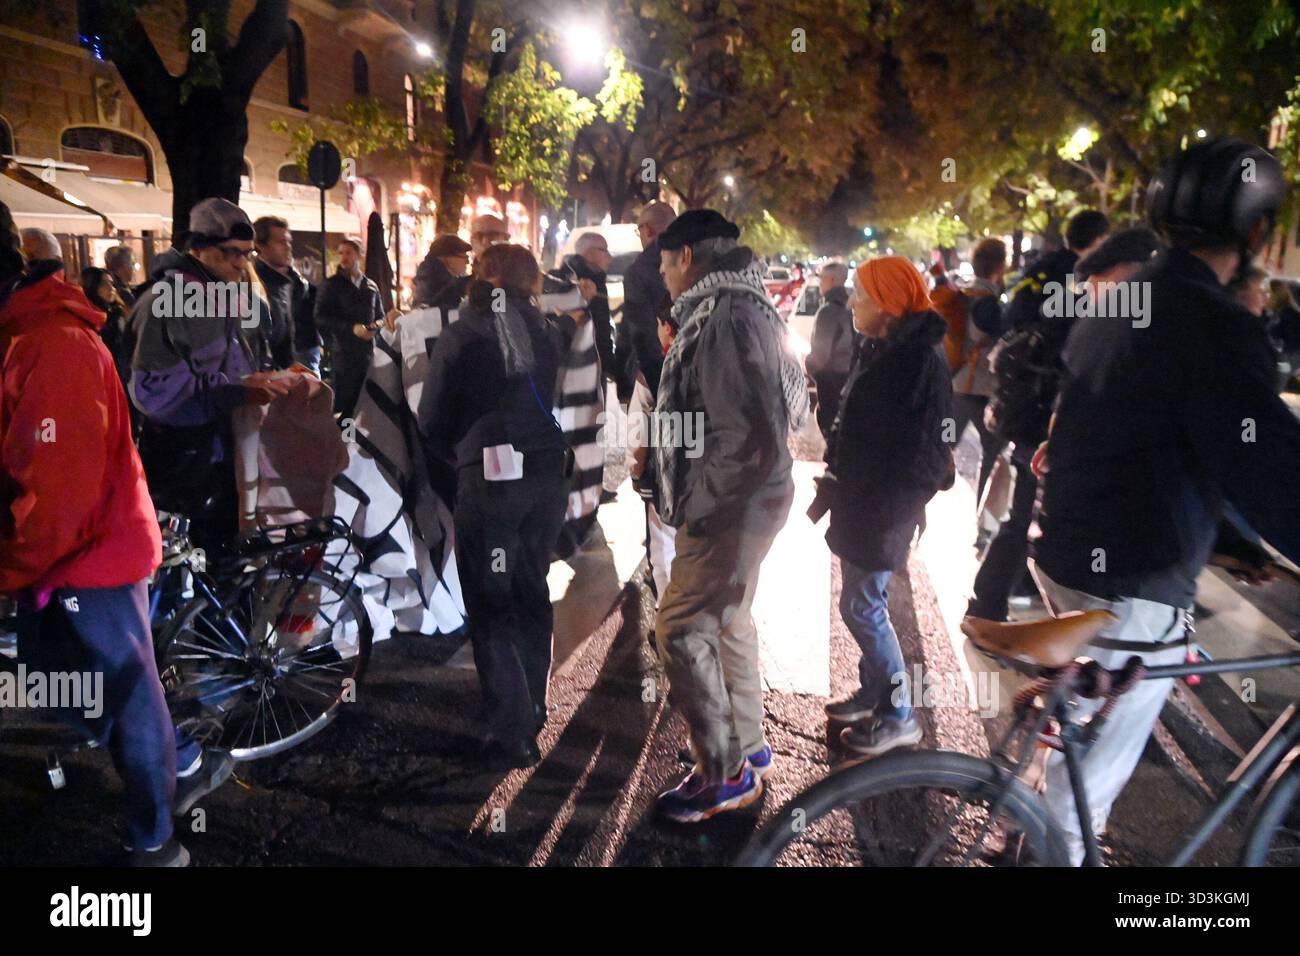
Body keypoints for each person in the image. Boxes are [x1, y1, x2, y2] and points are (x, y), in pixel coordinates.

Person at [1031, 138, 1300, 866]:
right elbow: (1270, 470)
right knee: (1092, 777)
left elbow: (1149, 448)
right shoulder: (1215, 325)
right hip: (1132, 580)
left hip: (1065, 555)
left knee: (1078, 755)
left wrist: (1230, 546)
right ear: (1253, 232)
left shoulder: (1120, 304)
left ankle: (1033, 834)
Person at [0, 200, 224, 866]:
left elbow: (54, 491)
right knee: (70, 681)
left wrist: (12, 566)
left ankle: (156, 842)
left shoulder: (48, 346)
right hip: (75, 548)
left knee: (119, 691)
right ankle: (179, 762)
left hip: (88, 554)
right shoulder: (29, 338)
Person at [651, 209, 809, 822]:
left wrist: (697, 505)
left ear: (686, 257)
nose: (664, 277)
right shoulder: (740, 306)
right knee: (731, 620)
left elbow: (743, 436)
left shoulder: (722, 316)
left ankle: (724, 772)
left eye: (666, 264)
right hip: (747, 498)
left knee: (681, 628)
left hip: (732, 505)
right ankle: (747, 746)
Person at [419, 243, 583, 770]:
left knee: (491, 601)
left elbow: (432, 417)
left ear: (480, 277)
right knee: (530, 589)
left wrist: (454, 455)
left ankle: (511, 729)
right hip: (546, 474)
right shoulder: (547, 331)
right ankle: (532, 706)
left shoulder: (464, 332)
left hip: (491, 481)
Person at [969, 228, 1161, 623]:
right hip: (1049, 437)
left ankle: (992, 604)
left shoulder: (1053, 286)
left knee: (1023, 519)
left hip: (1036, 430)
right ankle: (998, 607)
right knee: (1031, 522)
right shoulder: (1106, 316)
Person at [818, 257, 954, 756]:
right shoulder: (883, 346)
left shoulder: (919, 360)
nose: (852, 302)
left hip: (882, 508)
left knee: (861, 605)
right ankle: (876, 692)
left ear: (891, 305)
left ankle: (899, 713)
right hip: (864, 502)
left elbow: (934, 450)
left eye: (863, 295)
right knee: (861, 601)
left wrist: (886, 496)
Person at [129, 198, 292, 549]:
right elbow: (157, 394)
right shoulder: (165, 301)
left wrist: (265, 378)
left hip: (219, 454)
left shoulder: (222, 295)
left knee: (230, 555)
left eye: (247, 254)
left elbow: (236, 364)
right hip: (184, 461)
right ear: (199, 248)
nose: (241, 263)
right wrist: (239, 391)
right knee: (196, 563)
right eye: (232, 253)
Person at [940, 238, 1007, 502]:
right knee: (994, 453)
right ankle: (983, 523)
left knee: (942, 445)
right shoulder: (989, 304)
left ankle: (911, 508)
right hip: (983, 390)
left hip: (954, 388)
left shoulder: (961, 296)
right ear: (1000, 267)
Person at [315, 237, 385, 417]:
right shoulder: (332, 285)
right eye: (341, 253)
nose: (344, 257)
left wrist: (375, 327)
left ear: (359, 255)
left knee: (367, 403)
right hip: (344, 355)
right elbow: (321, 317)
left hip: (368, 354)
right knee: (345, 405)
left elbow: (380, 315)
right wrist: (351, 328)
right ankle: (346, 441)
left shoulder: (370, 285)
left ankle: (363, 442)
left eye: (348, 253)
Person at [619, 201, 676, 399]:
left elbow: (641, 335)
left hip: (659, 376)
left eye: (639, 229)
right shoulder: (691, 260)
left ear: (648, 230)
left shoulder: (638, 272)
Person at [253, 215, 317, 373]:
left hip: (301, 358)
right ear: (261, 245)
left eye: (289, 241)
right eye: (281, 242)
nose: (288, 247)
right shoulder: (254, 284)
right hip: (272, 373)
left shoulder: (297, 281)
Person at [805, 261, 854, 439]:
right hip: (849, 378)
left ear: (832, 280)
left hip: (831, 380)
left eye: (822, 279)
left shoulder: (828, 312)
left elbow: (820, 355)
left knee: (831, 430)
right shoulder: (852, 308)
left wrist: (809, 368)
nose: (820, 283)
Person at [564, 231, 616, 381]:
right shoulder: (577, 281)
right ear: (589, 253)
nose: (610, 257)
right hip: (581, 368)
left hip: (592, 365)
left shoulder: (597, 278)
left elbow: (603, 327)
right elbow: (598, 329)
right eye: (604, 250)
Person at [412, 233, 472, 312]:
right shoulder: (436, 282)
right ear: (449, 258)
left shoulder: (428, 276)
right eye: (465, 257)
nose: (467, 262)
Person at [104, 244, 139, 310]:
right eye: (132, 264)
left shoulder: (112, 288)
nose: (134, 269)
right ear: (124, 266)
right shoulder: (122, 294)